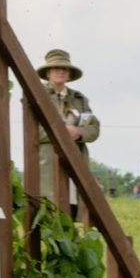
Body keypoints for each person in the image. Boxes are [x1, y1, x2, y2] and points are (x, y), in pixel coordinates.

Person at [35, 49, 99, 215]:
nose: (61, 71)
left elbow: (94, 129)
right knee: (50, 212)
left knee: (72, 210)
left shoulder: (79, 99)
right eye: (56, 68)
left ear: (70, 73)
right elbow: (34, 132)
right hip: (47, 165)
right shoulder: (36, 95)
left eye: (64, 68)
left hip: (75, 164)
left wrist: (77, 132)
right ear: (48, 72)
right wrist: (62, 133)